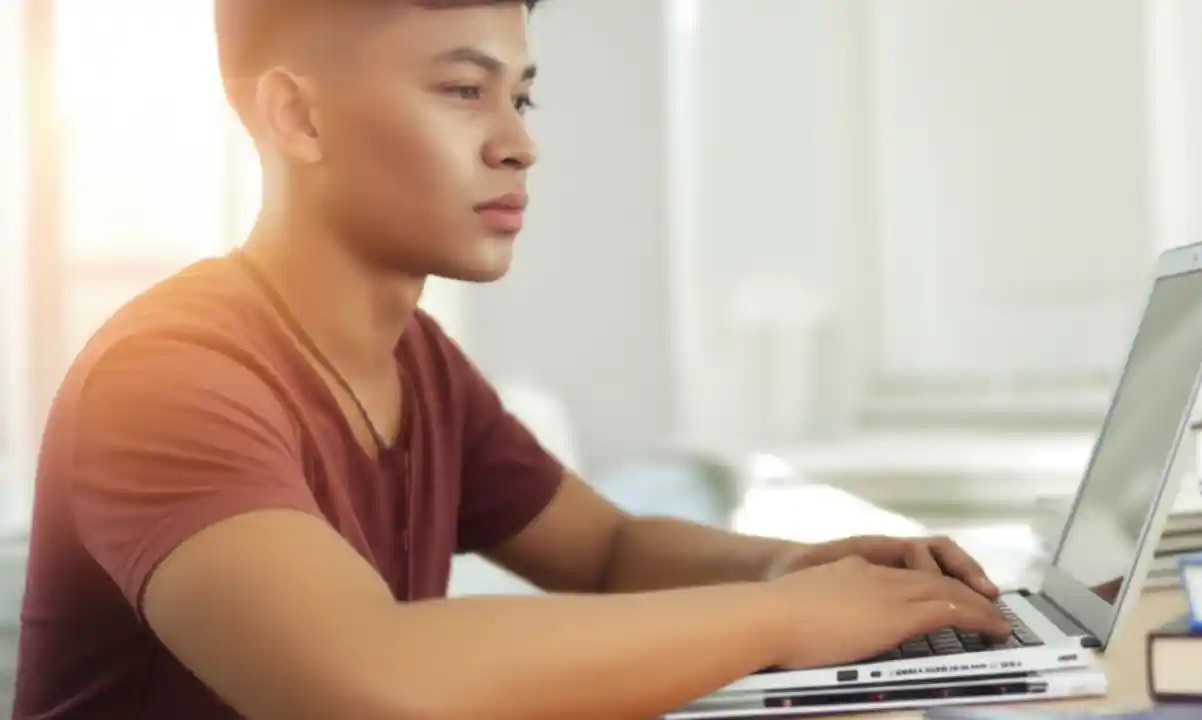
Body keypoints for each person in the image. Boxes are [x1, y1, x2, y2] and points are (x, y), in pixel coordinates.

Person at [13, 1, 1011, 717]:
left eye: (520, 98)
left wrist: (799, 566)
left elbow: (606, 551)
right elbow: (370, 680)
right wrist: (782, 617)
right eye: (460, 91)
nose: (517, 146)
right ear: (296, 117)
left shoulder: (418, 361)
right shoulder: (168, 377)